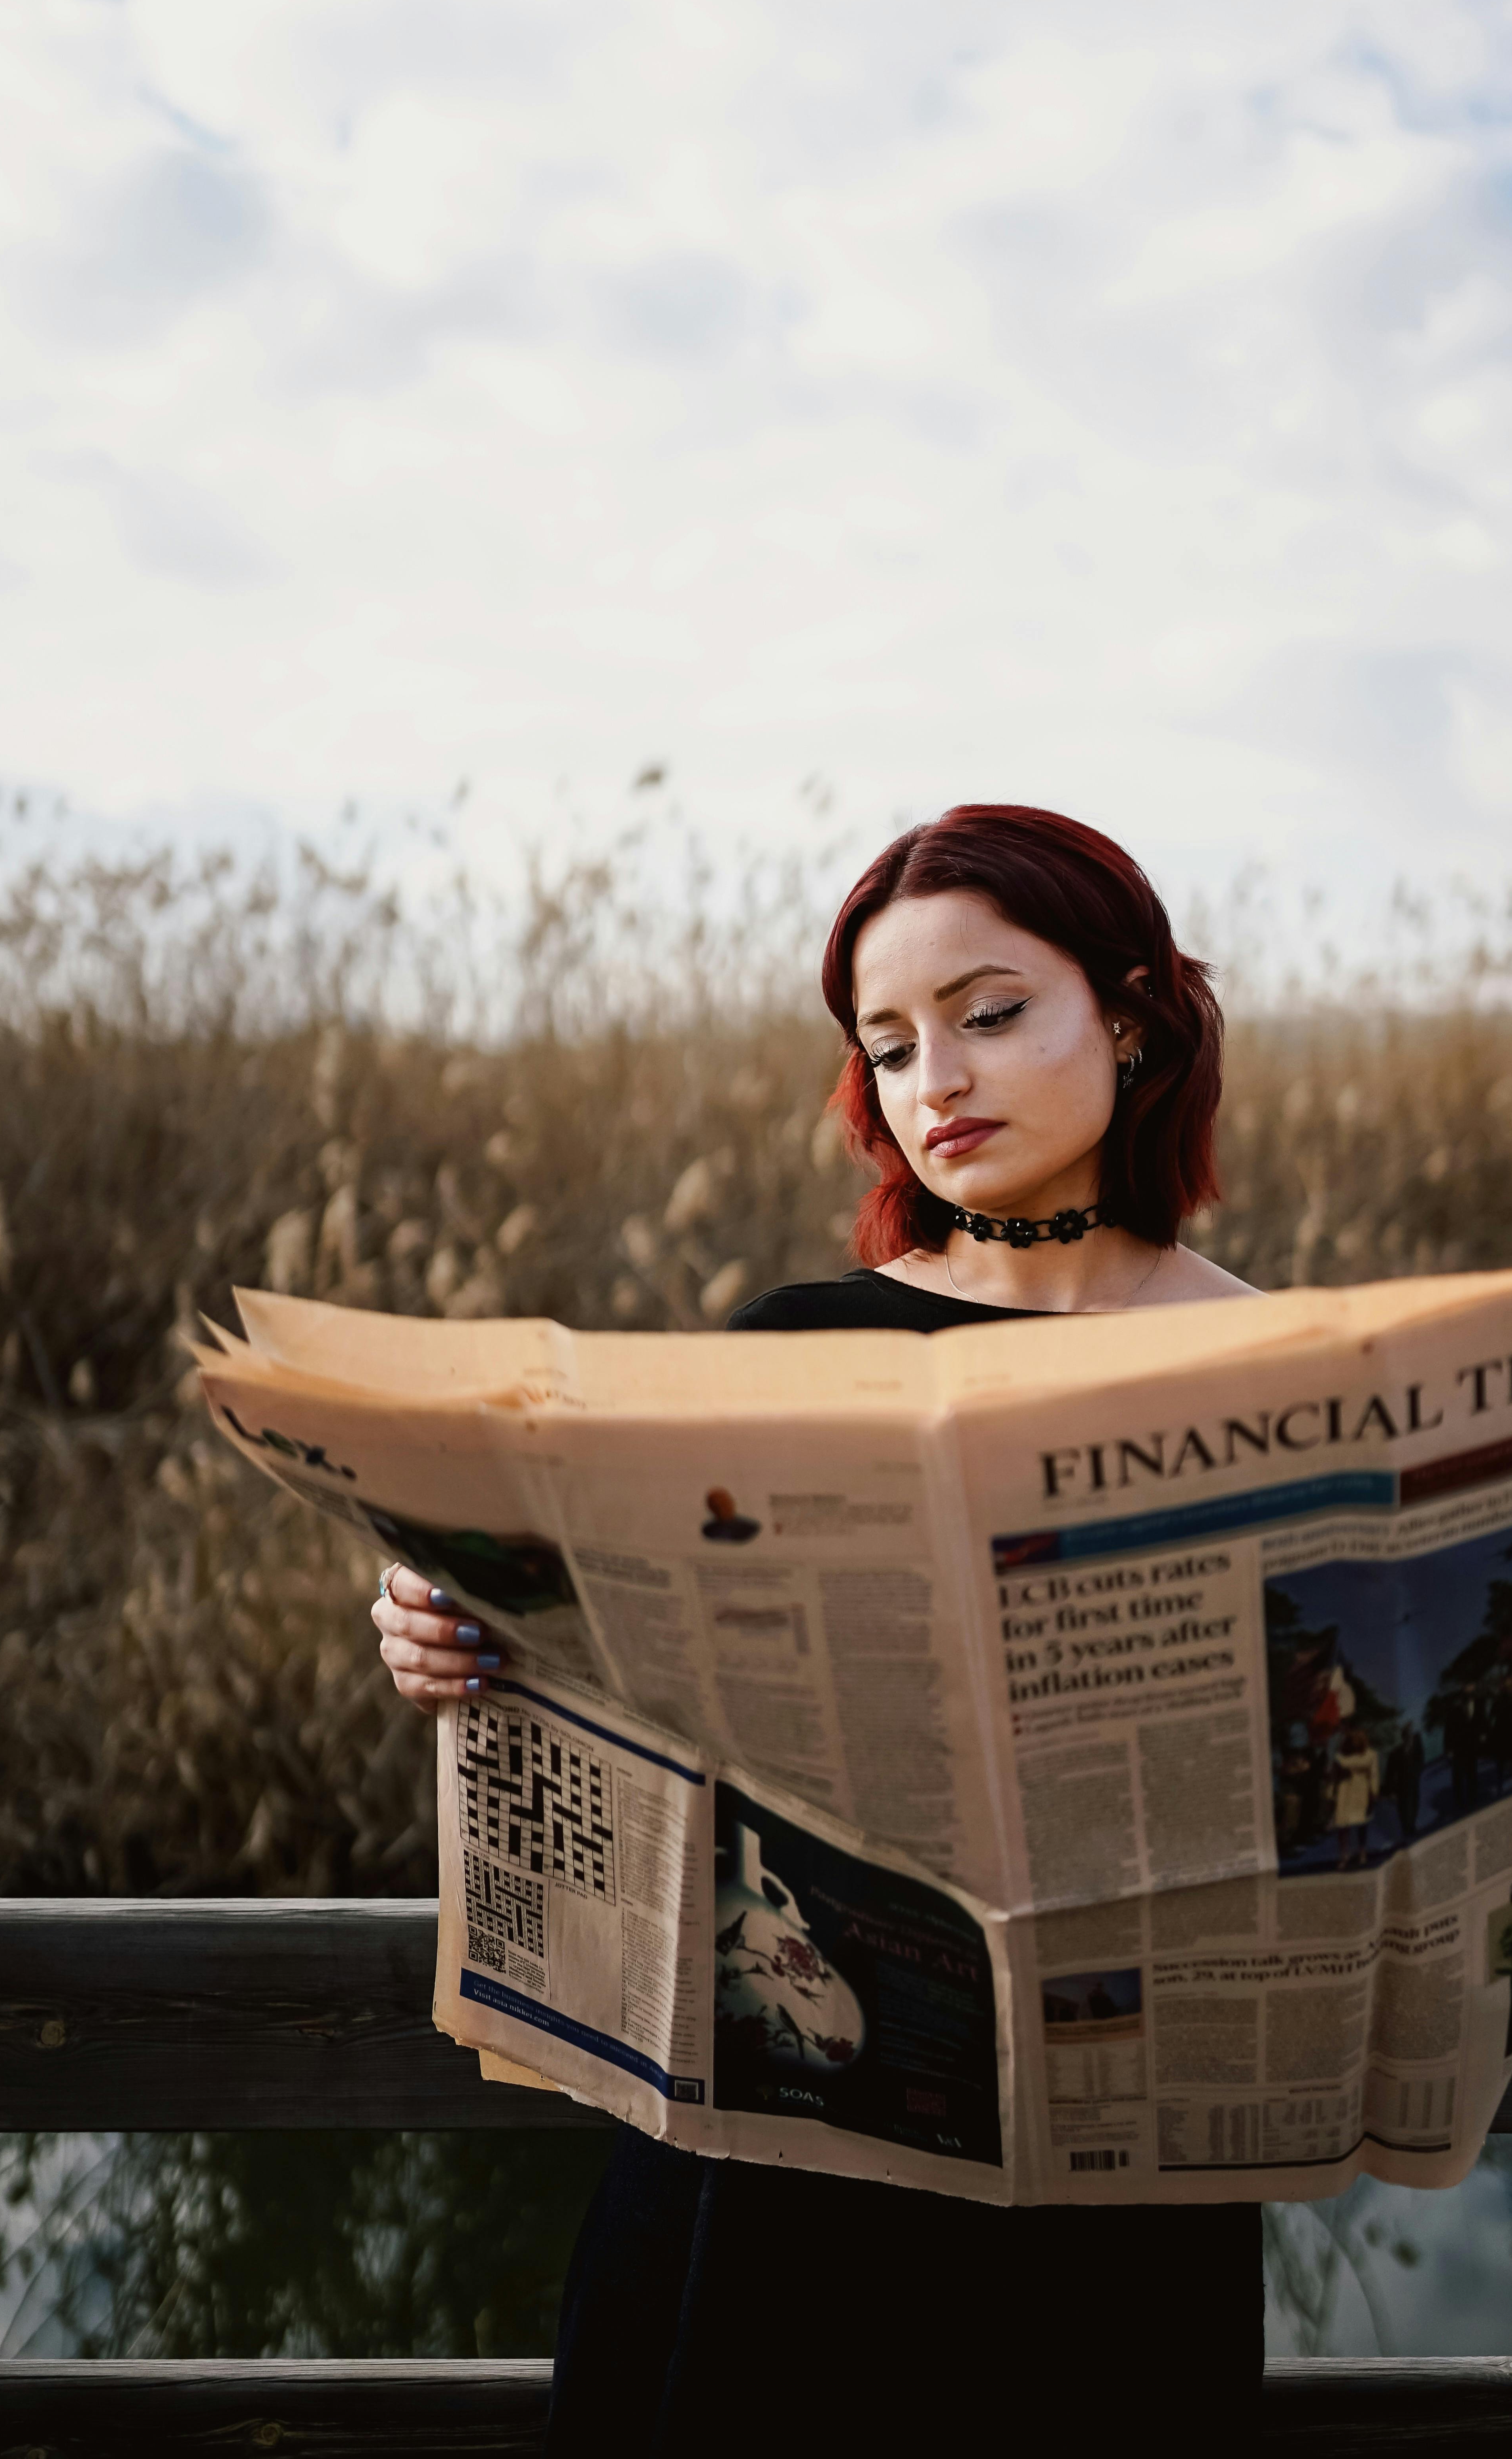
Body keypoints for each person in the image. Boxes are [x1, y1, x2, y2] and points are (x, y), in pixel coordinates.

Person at [371, 806, 1263, 2451]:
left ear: (1127, 1015)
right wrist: (461, 1633)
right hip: (779, 2178)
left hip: (1108, 2199)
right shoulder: (795, 1345)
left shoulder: (1285, 1375)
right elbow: (631, 1690)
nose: (938, 1077)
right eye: (889, 1042)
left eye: (990, 1012)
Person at [1331, 1724, 1380, 1871]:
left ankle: (1362, 1852)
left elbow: (1374, 1775)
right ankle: (1344, 1855)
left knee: (1362, 1824)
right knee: (1342, 1826)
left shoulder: (1371, 1755)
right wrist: (1331, 1793)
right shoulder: (1341, 1756)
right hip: (1345, 1791)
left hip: (1362, 1791)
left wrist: (1374, 1792)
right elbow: (1335, 1775)